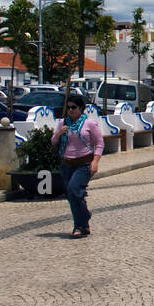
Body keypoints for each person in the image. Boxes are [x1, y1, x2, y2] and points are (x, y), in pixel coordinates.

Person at [51, 93, 103, 239]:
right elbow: (53, 141)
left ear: (81, 108)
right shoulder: (63, 123)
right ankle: (84, 220)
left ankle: (78, 226)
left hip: (84, 163)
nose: (71, 110)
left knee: (74, 190)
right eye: (68, 108)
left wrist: (95, 161)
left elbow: (99, 143)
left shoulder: (89, 124)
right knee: (71, 195)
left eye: (74, 107)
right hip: (67, 163)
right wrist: (59, 134)